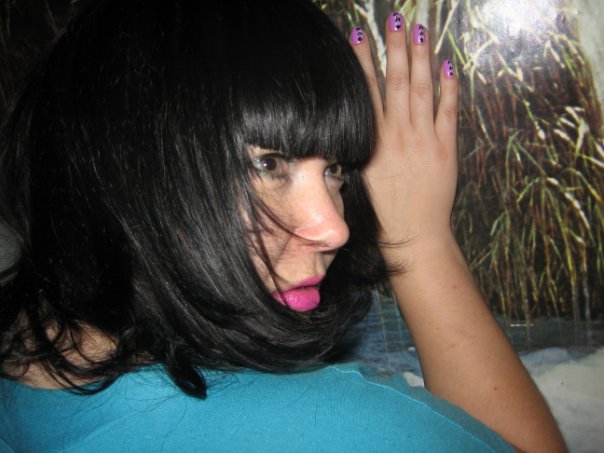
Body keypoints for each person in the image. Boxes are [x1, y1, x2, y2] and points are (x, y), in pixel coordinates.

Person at [0, 0, 566, 451]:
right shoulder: (342, 431)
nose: (335, 229)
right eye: (268, 164)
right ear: (123, 166)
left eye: (336, 170)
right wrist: (422, 240)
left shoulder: (24, 369)